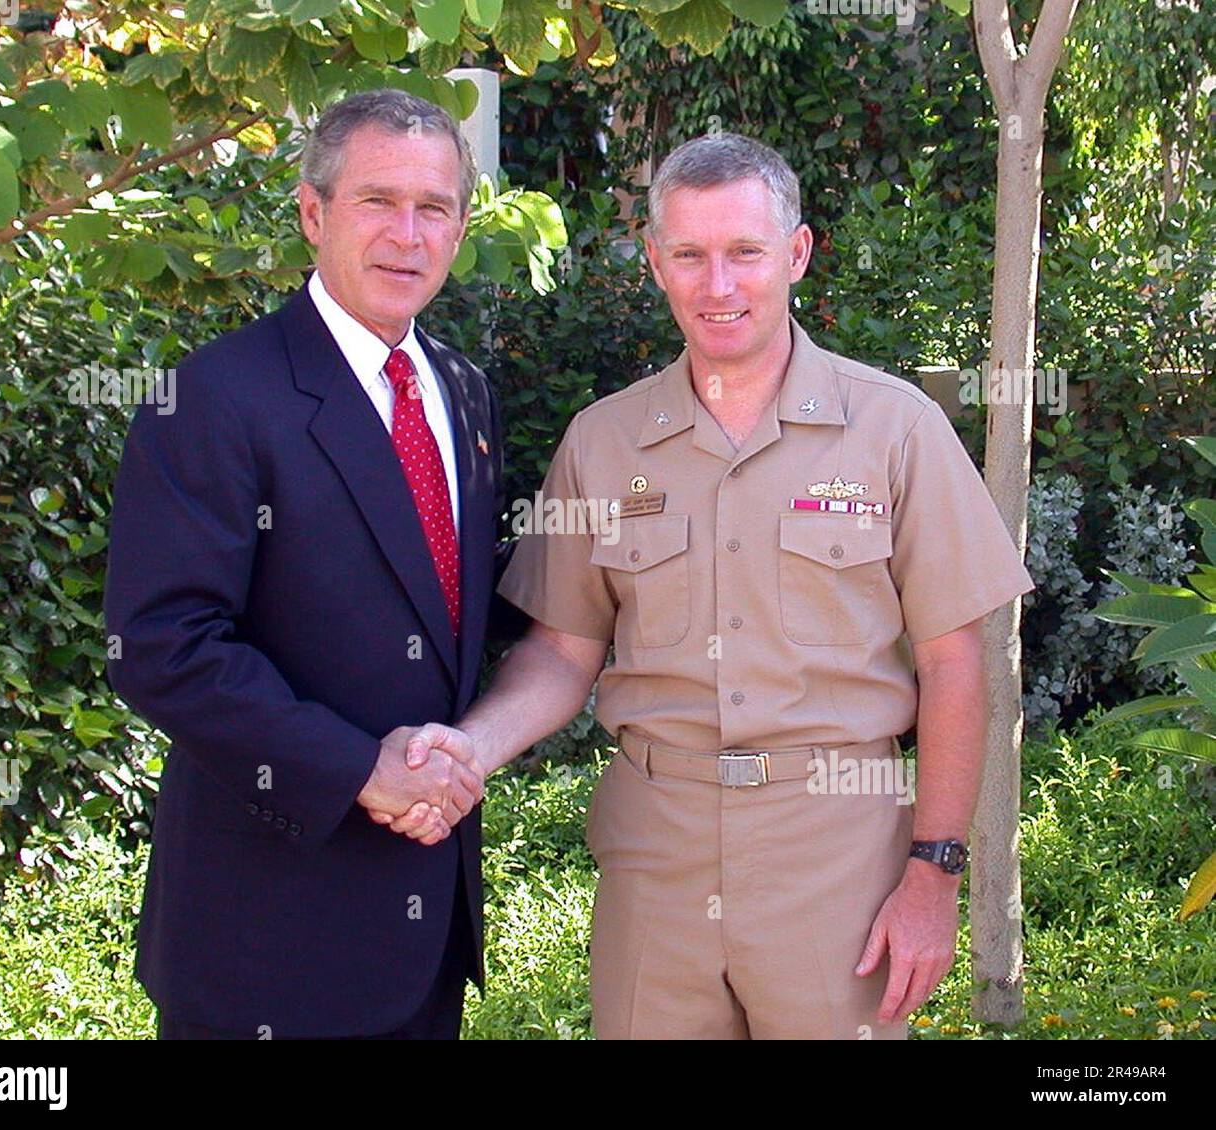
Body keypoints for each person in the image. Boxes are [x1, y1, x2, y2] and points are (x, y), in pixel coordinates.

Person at [381, 133, 1035, 1039]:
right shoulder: (604, 444)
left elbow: (956, 662)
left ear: (796, 254)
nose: (717, 286)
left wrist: (934, 875)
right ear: (655, 263)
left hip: (837, 856)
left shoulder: (894, 429)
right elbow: (564, 651)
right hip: (658, 859)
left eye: (745, 253)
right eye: (689, 255)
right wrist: (468, 749)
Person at [104, 89, 504, 1040]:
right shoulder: (211, 396)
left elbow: (457, 610)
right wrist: (359, 769)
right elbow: (160, 645)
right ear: (313, 213)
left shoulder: (465, 393)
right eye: (378, 201)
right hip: (264, 943)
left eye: (435, 207)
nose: (408, 234)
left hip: (425, 933)